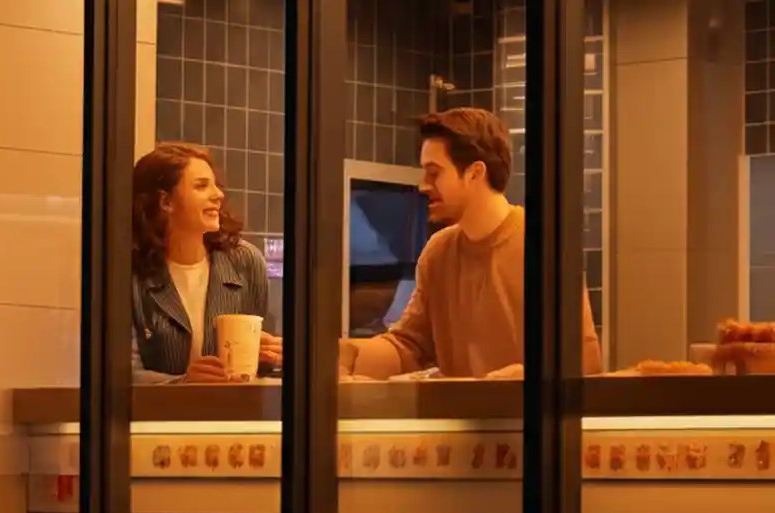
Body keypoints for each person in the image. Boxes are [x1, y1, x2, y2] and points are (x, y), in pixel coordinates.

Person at [342, 108, 602, 379]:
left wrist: (528, 379)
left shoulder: (542, 245)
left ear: (475, 173)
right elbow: (409, 346)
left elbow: (583, 362)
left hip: (528, 420)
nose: (423, 186)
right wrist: (345, 357)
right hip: (464, 419)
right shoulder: (439, 252)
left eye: (434, 173)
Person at [131, 142, 281, 383]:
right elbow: (122, 375)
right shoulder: (131, 273)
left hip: (232, 417)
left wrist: (270, 358)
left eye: (216, 185)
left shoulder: (246, 262)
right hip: (159, 419)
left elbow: (258, 372)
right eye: (201, 186)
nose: (218, 195)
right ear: (165, 202)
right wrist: (183, 384)